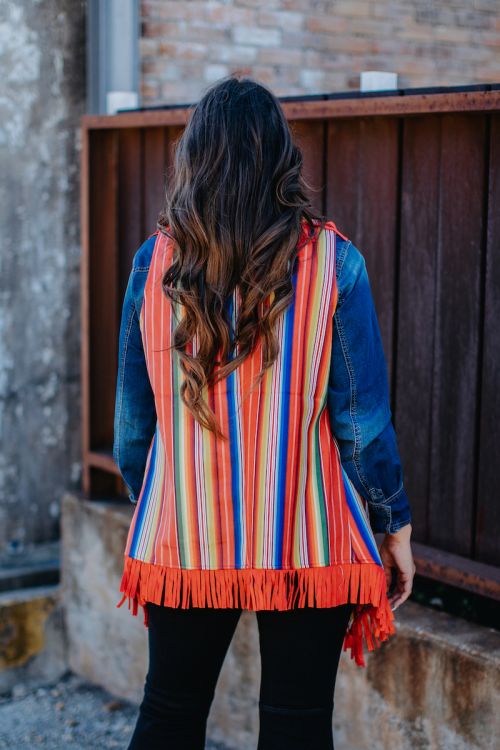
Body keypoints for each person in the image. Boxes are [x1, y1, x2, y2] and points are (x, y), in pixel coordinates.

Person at [113, 75, 415, 750]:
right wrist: (393, 525)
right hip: (306, 538)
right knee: (296, 723)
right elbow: (362, 426)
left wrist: (159, 504)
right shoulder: (335, 263)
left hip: (184, 535)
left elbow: (134, 428)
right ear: (283, 159)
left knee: (169, 712)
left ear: (193, 159)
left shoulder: (152, 265)